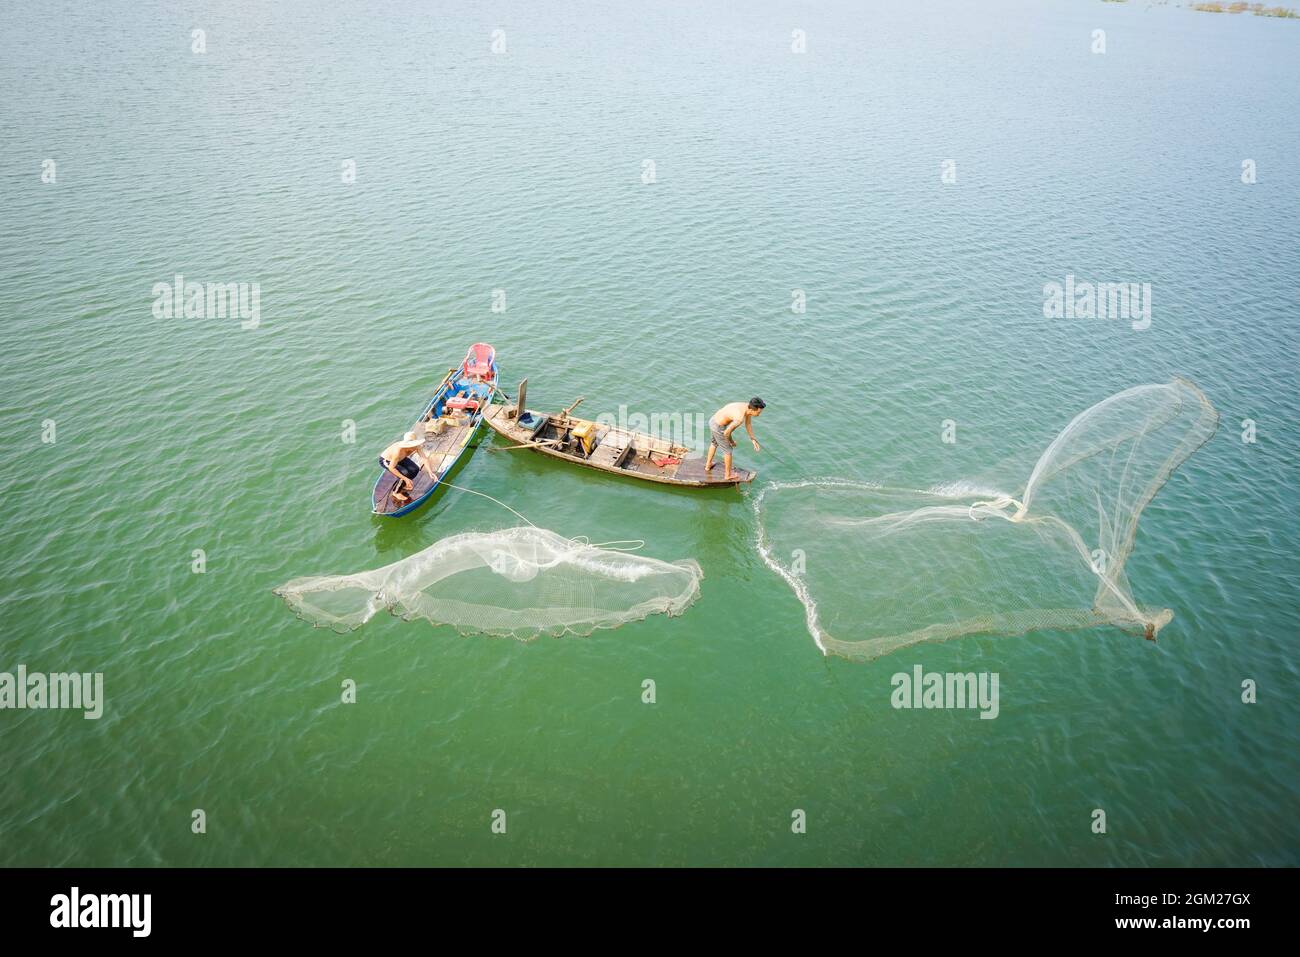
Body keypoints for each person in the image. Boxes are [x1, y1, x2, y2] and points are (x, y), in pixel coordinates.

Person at [705, 397, 765, 481]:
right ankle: (728, 475)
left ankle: (708, 466)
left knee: (714, 443)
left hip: (713, 420)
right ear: (753, 410)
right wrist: (731, 442)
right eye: (758, 412)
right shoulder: (739, 418)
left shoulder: (746, 407)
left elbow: (748, 424)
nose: (759, 414)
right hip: (718, 427)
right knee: (728, 451)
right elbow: (726, 433)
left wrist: (753, 439)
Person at [380, 431, 427, 503]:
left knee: (415, 469)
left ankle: (404, 484)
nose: (413, 447)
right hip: (387, 460)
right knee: (404, 473)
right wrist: (405, 478)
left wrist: (430, 472)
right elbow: (391, 468)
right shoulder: (398, 451)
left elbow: (424, 458)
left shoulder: (416, 446)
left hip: (400, 458)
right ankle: (396, 492)